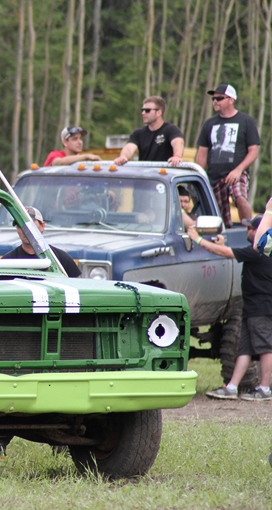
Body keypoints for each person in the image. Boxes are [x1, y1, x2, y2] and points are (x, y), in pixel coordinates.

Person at [0, 206, 81, 459]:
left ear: (42, 226)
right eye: (19, 224)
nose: (24, 229)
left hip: (58, 339)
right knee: (6, 391)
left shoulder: (62, 260)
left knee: (63, 390)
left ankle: (65, 444)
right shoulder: (8, 262)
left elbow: (80, 293)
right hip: (18, 340)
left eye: (30, 223)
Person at [187, 215, 272, 401]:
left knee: (265, 347)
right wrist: (223, 243)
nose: (248, 231)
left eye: (251, 228)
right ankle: (232, 387)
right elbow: (230, 250)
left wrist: (198, 239)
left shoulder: (259, 251)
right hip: (253, 307)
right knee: (245, 349)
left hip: (261, 307)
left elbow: (226, 254)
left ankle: (265, 389)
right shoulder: (263, 249)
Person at [196, 84, 260, 227]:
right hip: (214, 176)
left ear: (231, 100)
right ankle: (224, 241)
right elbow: (202, 153)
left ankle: (249, 231)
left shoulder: (246, 121)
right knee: (218, 217)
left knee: (240, 197)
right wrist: (201, 175)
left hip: (236, 173)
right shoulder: (209, 124)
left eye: (219, 98)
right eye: (214, 99)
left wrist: (238, 170)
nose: (215, 101)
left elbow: (253, 151)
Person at [114, 96, 184, 166]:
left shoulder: (171, 129)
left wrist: (176, 156)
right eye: (142, 110)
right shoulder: (138, 133)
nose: (143, 113)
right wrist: (123, 157)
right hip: (145, 174)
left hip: (165, 174)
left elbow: (178, 142)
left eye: (147, 110)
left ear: (159, 112)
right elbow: (129, 148)